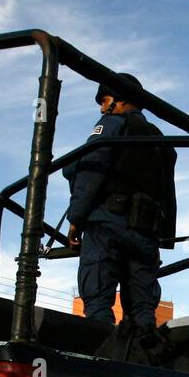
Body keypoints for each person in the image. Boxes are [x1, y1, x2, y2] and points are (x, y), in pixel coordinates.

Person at [65, 72, 177, 332]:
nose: (103, 108)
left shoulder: (113, 125)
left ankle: (100, 361)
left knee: (97, 301)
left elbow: (90, 169)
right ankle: (140, 363)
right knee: (142, 309)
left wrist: (75, 220)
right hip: (146, 232)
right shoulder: (161, 138)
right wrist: (164, 238)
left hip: (108, 223)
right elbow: (167, 191)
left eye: (105, 101)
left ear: (122, 100)